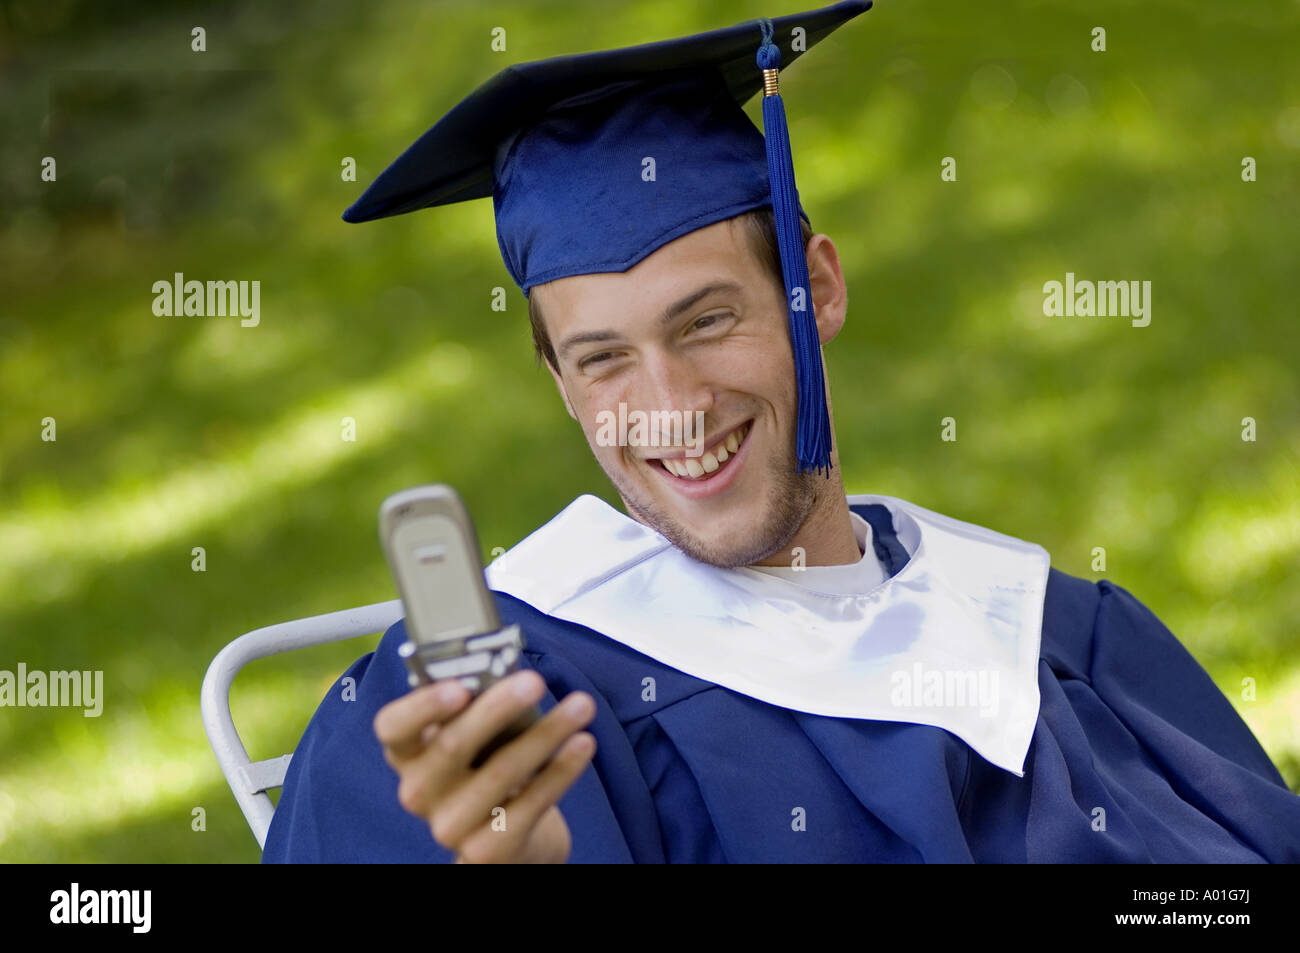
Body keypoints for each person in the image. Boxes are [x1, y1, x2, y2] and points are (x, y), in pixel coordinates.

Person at [262, 1, 1300, 863]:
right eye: (604, 358)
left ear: (819, 288)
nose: (669, 399)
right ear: (559, 384)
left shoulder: (1053, 627)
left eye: (706, 320)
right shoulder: (498, 716)